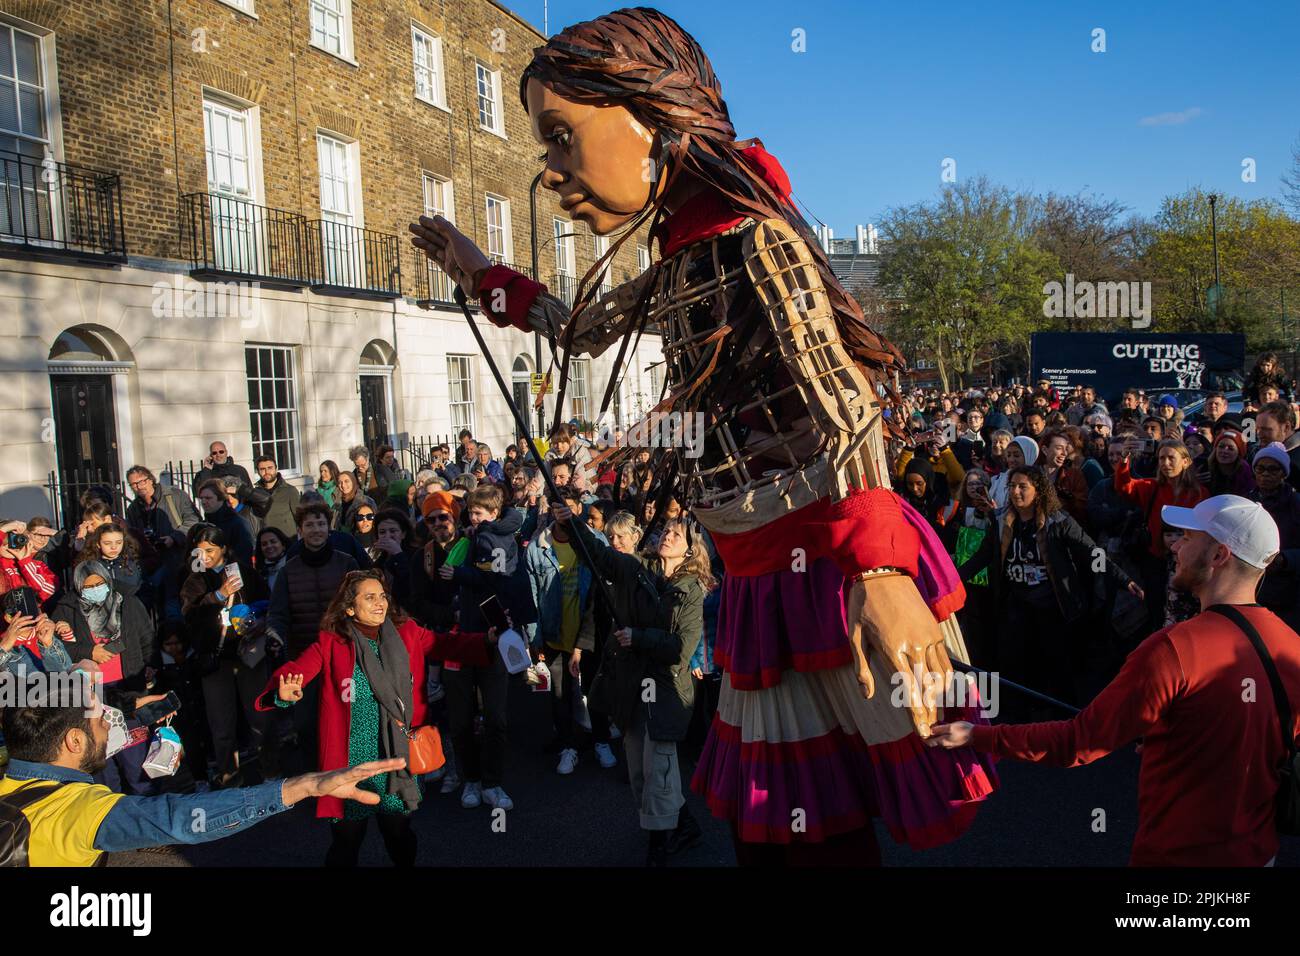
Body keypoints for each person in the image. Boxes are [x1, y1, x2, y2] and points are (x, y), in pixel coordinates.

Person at [410, 7, 994, 865]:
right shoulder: (689, 250)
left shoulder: (754, 235)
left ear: (651, 119)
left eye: (563, 136)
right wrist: (478, 270)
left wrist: (880, 569)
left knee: (811, 834)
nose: (551, 172)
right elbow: (580, 327)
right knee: (798, 826)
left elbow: (845, 398)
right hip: (760, 572)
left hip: (825, 562)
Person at [929, 494, 1300, 866]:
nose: (1175, 546)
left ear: (1220, 555)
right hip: (1260, 852)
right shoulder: (1292, 647)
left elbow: (1078, 741)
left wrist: (978, 736)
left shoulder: (1173, 650)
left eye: (1187, 537)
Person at [0, 690, 405, 867]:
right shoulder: (82, 811)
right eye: (100, 718)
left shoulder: (14, 759)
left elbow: (81, 737)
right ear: (73, 740)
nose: (109, 721)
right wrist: (306, 786)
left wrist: (137, 716)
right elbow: (183, 818)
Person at [255, 570, 485, 866]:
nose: (380, 603)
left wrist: (487, 641)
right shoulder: (331, 643)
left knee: (399, 833)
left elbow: (446, 645)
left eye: (383, 596)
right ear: (350, 608)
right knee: (347, 839)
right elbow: (298, 670)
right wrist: (284, 689)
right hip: (349, 760)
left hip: (395, 757)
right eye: (370, 597)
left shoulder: (408, 632)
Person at [551, 501, 711, 864]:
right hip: (632, 688)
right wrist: (572, 523)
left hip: (666, 692)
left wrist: (638, 637)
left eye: (676, 534)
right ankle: (685, 826)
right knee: (640, 774)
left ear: (690, 549)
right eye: (666, 531)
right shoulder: (637, 568)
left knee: (658, 775)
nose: (666, 535)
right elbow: (600, 556)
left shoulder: (691, 591)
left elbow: (681, 651)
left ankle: (659, 848)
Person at [998, 467, 1142, 713]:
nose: (1016, 492)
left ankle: (1064, 718)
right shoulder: (1001, 519)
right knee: (1019, 664)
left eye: (1023, 487)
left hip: (1052, 606)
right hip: (1018, 606)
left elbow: (1090, 551)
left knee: (1057, 665)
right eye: (1012, 486)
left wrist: (1121, 578)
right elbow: (984, 557)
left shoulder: (1058, 521)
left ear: (1039, 490)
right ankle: (1019, 719)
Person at [51, 560, 161, 795]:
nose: (95, 589)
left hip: (129, 689)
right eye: (88, 587)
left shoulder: (128, 602)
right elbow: (56, 650)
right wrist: (88, 652)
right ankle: (110, 816)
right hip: (93, 697)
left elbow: (146, 638)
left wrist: (151, 666)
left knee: (136, 763)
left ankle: (146, 811)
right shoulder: (67, 608)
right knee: (103, 766)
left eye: (100, 583)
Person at [266, 503, 360, 770]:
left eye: (320, 524)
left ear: (329, 528)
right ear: (300, 531)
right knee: (307, 724)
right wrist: (275, 637)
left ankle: (352, 776)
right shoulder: (288, 570)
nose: (316, 530)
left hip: (345, 656)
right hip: (305, 658)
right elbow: (278, 613)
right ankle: (317, 780)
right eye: (309, 525)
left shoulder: (347, 563)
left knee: (349, 719)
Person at [179, 523, 273, 788]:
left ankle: (272, 772)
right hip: (215, 658)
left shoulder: (244, 572)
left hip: (248, 654)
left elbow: (269, 601)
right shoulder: (194, 579)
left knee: (260, 718)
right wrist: (219, 595)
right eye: (199, 551)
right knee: (221, 726)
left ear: (223, 549)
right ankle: (229, 777)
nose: (205, 556)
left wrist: (261, 622)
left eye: (210, 550)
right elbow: (189, 615)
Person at [526, 489, 605, 774]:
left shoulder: (594, 541)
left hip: (589, 634)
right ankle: (568, 746)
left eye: (570, 508)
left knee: (593, 691)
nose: (565, 514)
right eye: (559, 509)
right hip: (555, 634)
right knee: (560, 695)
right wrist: (534, 638)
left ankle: (600, 740)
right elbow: (532, 595)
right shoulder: (537, 548)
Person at [1114, 438, 1207, 631]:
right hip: (1156, 560)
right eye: (1161, 458)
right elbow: (1125, 488)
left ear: (1186, 461)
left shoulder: (1199, 493)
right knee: (1156, 609)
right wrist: (1124, 461)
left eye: (1171, 458)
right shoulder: (1152, 487)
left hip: (1186, 562)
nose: (1165, 463)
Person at [1249, 443, 1300, 631]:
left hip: (1287, 591)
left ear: (1283, 473)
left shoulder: (1296, 504)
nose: (1265, 474)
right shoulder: (1246, 502)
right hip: (1252, 587)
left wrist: (1285, 559)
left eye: (1273, 469)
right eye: (1260, 468)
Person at [195, 477, 257, 565]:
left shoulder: (238, 523)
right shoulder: (202, 526)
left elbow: (243, 557)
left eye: (208, 498)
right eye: (202, 498)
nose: (204, 502)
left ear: (221, 498)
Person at [0, 518, 59, 609]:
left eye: (16, 540)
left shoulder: (37, 565)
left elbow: (47, 592)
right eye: (6, 543)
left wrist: (25, 563)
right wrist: (4, 529)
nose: (11, 546)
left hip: (32, 618)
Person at [989, 435, 1038, 516]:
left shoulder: (1036, 480)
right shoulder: (999, 478)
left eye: (1016, 455)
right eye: (1008, 455)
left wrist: (996, 511)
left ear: (1029, 455)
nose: (1011, 460)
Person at [1256, 401, 1300, 491]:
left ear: (1286, 427)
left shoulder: (1296, 462)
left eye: (1266, 429)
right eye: (1258, 429)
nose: (1259, 434)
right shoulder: (1261, 452)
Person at [256, 456, 301, 539]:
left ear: (276, 469)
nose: (266, 472)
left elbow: (300, 517)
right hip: (266, 542)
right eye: (262, 469)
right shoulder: (256, 493)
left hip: (288, 541)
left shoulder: (290, 491)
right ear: (258, 471)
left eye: (270, 468)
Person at [1206, 428, 1255, 497]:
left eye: (1231, 448)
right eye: (1221, 447)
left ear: (1239, 453)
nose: (1224, 451)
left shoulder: (1245, 473)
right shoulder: (1205, 470)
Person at [253, 526, 292, 593]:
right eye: (264, 544)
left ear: (283, 545)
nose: (269, 546)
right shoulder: (260, 574)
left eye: (273, 542)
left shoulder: (293, 566)